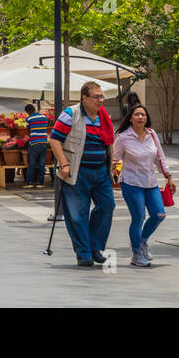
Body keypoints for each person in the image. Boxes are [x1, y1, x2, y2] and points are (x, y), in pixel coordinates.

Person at [48, 81, 116, 267]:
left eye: (101, 96)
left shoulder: (103, 117)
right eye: (96, 96)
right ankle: (84, 253)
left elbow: (108, 143)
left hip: (101, 172)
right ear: (84, 98)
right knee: (78, 215)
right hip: (77, 171)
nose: (100, 100)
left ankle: (95, 246)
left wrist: (113, 163)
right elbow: (54, 140)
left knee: (107, 206)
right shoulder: (71, 114)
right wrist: (63, 163)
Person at [113, 103, 172, 267]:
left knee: (159, 214)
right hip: (131, 183)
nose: (140, 117)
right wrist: (112, 171)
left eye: (143, 115)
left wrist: (168, 176)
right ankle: (137, 254)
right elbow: (114, 158)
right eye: (137, 114)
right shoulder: (123, 137)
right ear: (130, 118)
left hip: (150, 182)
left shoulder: (152, 134)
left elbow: (160, 157)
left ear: (147, 118)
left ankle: (142, 241)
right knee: (138, 217)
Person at [24, 103, 49, 188]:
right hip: (44, 142)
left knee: (32, 163)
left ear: (28, 111)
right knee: (42, 163)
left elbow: (28, 130)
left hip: (34, 142)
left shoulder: (29, 118)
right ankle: (40, 183)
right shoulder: (44, 117)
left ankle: (30, 182)